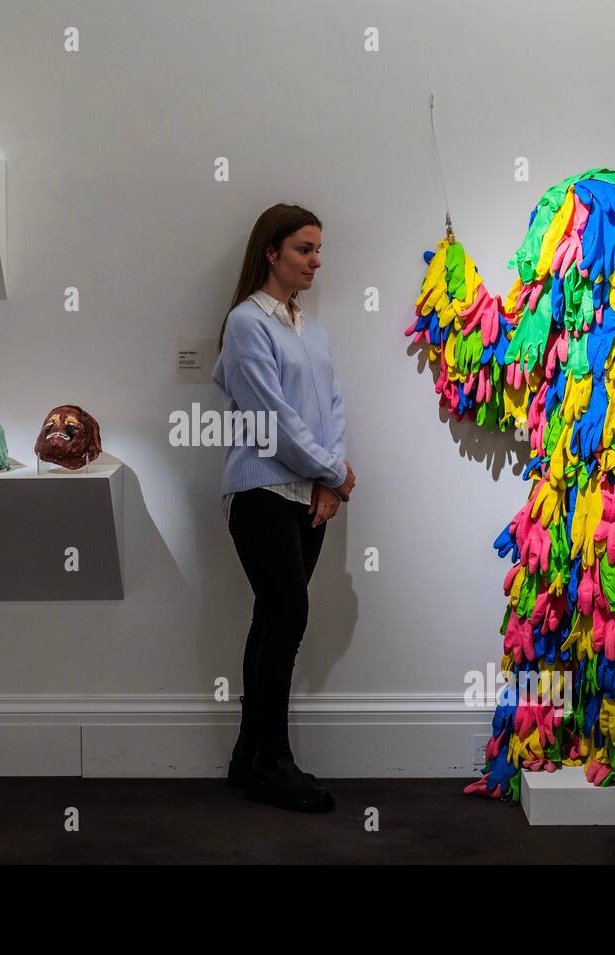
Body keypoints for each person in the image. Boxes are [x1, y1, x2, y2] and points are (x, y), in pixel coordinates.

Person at [211, 203, 355, 812]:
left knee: (270, 621)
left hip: (309, 496)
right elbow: (273, 421)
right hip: (262, 492)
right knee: (287, 621)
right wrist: (334, 473)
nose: (315, 260)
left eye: (318, 249)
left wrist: (329, 479)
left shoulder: (309, 329)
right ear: (271, 252)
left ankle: (249, 756)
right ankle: (274, 761)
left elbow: (333, 409)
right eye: (303, 248)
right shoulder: (247, 324)